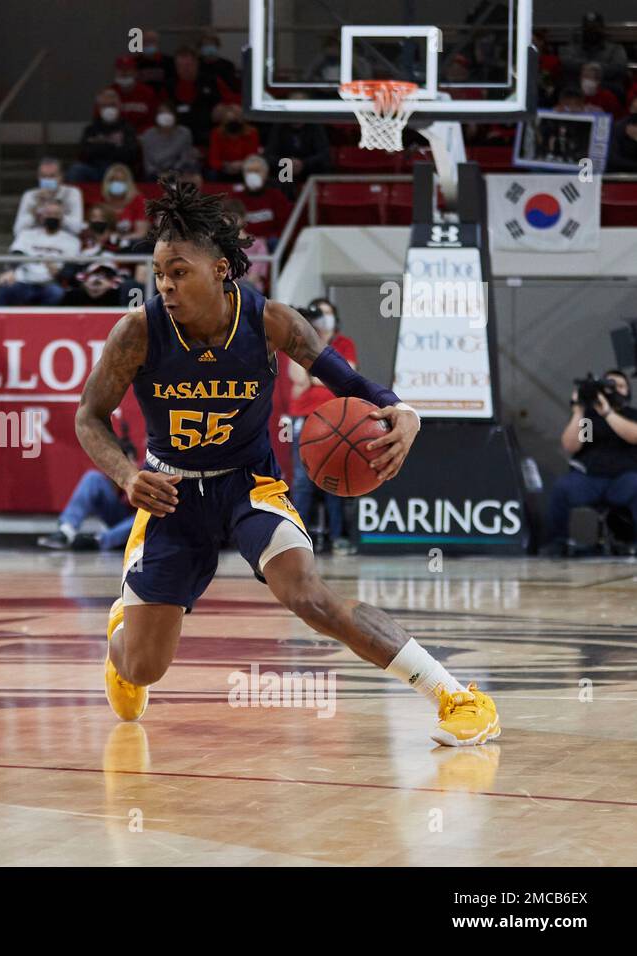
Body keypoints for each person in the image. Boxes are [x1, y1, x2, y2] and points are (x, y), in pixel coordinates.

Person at [74, 174, 498, 746]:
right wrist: (127, 474)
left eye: (179, 272)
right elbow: (88, 416)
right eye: (158, 273)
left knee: (308, 596)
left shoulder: (269, 321)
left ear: (221, 269)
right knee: (141, 671)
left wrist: (403, 409)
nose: (165, 286)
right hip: (171, 492)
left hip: (250, 484)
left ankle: (456, 696)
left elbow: (348, 380)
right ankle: (123, 625)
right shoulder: (138, 332)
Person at [285, 298, 358, 553]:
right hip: (303, 417)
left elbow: (345, 377)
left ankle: (338, 536)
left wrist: (312, 375)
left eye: (327, 316)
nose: (322, 321)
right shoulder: (299, 342)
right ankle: (297, 538)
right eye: (318, 316)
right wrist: (323, 375)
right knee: (302, 479)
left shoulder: (344, 344)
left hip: (336, 418)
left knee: (334, 475)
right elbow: (296, 379)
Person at [545, 370, 637, 556]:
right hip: (590, 478)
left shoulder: (631, 414)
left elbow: (633, 435)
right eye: (610, 385)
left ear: (628, 391)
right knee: (561, 488)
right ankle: (557, 542)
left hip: (624, 479)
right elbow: (572, 446)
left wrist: (608, 413)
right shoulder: (589, 419)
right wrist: (579, 412)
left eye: (620, 386)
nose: (615, 390)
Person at [38, 437, 138, 551]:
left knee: (146, 515)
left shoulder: (146, 472)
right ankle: (66, 532)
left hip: (140, 526)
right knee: (93, 477)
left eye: (127, 461)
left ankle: (98, 541)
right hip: (119, 518)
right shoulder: (110, 477)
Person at [0, 199, 81, 306]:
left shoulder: (72, 241)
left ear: (62, 217)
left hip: (50, 283)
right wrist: (10, 271)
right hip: (24, 282)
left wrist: (59, 274)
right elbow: (17, 253)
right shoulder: (26, 234)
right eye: (49, 213)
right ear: (41, 216)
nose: (52, 217)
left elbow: (70, 268)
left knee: (56, 293)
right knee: (5, 286)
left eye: (56, 214)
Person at [69, 89, 140, 183]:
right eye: (104, 106)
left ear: (119, 106)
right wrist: (113, 146)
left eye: (112, 105)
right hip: (95, 169)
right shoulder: (91, 130)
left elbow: (130, 154)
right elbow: (85, 153)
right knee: (77, 170)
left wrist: (101, 145)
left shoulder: (127, 129)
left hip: (119, 170)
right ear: (98, 108)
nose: (108, 109)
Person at [12, 157, 84, 238]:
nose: (48, 180)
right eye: (44, 176)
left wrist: (57, 214)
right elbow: (17, 230)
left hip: (64, 240)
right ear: (38, 177)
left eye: (52, 176)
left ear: (61, 177)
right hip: (37, 240)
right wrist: (37, 210)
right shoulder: (30, 195)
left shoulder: (72, 193)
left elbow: (78, 228)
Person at [140, 101, 200, 179]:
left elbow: (185, 158)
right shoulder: (148, 134)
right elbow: (148, 162)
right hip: (155, 174)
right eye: (161, 113)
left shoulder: (184, 133)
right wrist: (158, 174)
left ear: (174, 115)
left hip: (178, 172)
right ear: (156, 116)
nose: (165, 116)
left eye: (168, 113)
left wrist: (171, 173)